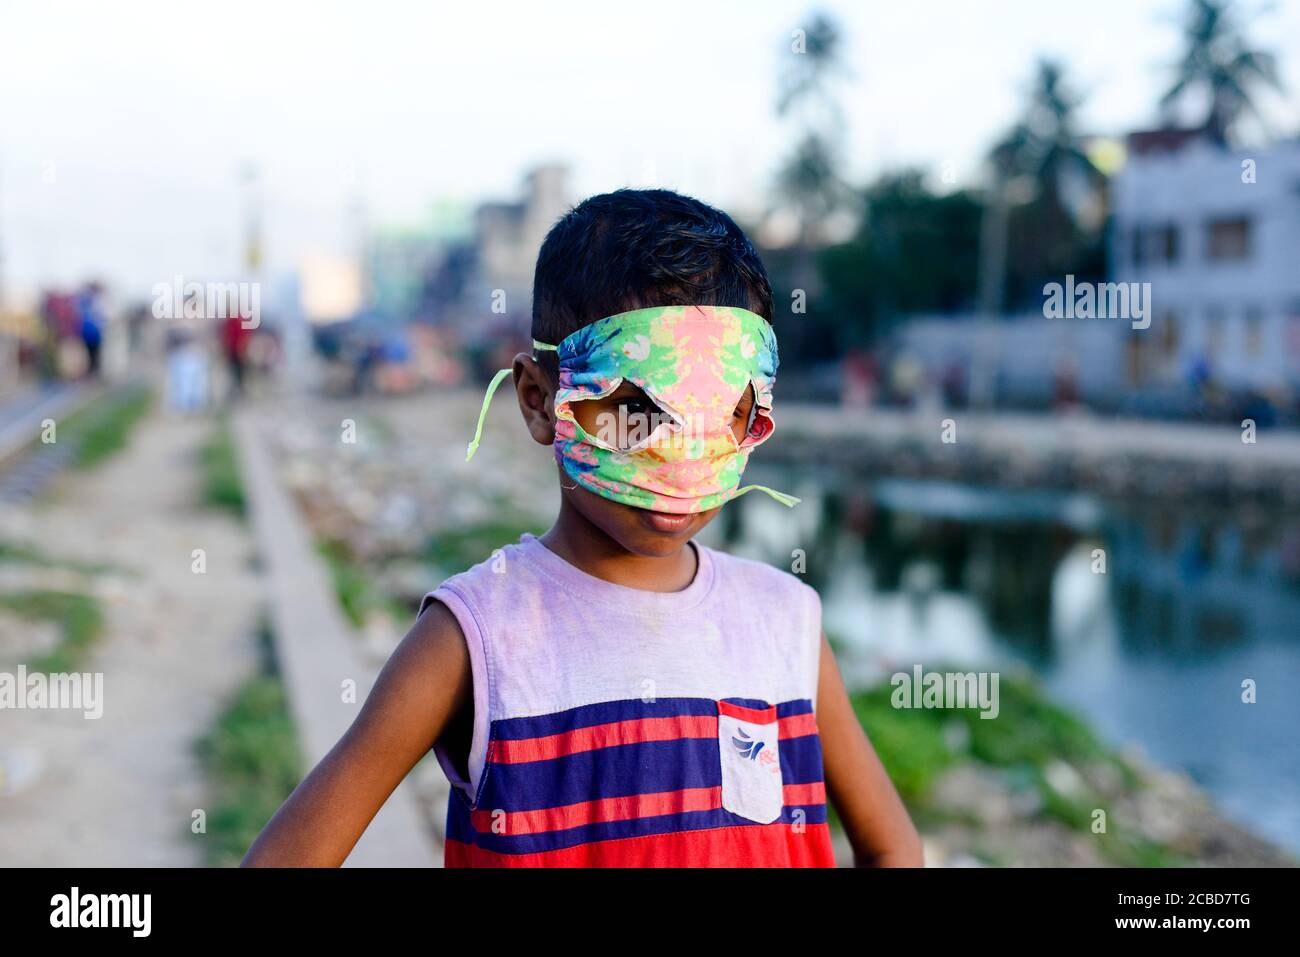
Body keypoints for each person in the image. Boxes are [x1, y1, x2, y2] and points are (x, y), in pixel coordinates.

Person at [244, 189, 922, 868]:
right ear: (539, 400)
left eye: (724, 413)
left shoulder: (787, 626)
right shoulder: (475, 638)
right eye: (637, 409)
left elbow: (894, 848)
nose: (681, 451)